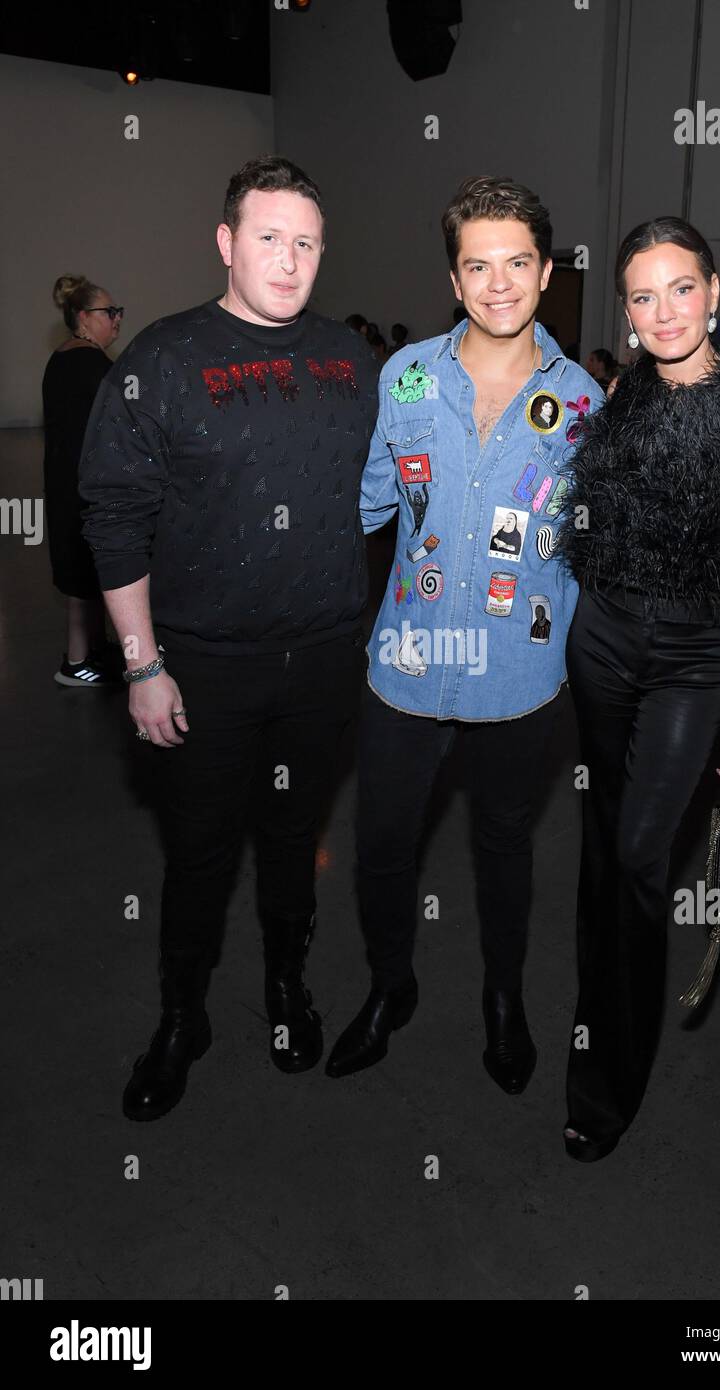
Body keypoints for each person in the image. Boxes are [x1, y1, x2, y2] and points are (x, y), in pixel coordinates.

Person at [79, 156, 379, 1121]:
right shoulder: (161, 363)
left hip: (325, 661)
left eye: (305, 243)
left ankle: (286, 987)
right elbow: (113, 518)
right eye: (267, 239)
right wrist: (143, 665)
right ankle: (182, 1015)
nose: (288, 261)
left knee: (295, 840)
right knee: (201, 852)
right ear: (226, 242)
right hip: (203, 665)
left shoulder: (350, 361)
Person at [325, 175, 604, 1092]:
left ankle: (503, 999)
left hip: (520, 675)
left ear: (546, 270)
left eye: (516, 263)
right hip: (406, 665)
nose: (497, 283)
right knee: (382, 848)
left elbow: (601, 540)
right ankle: (391, 986)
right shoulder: (404, 377)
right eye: (477, 265)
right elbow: (366, 505)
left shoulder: (586, 403)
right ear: (453, 276)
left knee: (505, 850)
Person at [557, 216, 720, 1162]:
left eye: (681, 289)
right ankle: (592, 1016)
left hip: (695, 662)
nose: (664, 311)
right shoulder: (622, 395)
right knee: (600, 849)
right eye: (642, 295)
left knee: (639, 859)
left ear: (711, 290)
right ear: (628, 307)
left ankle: (608, 1083)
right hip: (602, 641)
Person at [43, 276, 125, 687]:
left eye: (117, 312)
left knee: (86, 572)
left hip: (67, 483)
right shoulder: (90, 364)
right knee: (83, 573)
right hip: (82, 486)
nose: (116, 320)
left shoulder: (63, 357)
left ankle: (91, 650)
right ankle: (76, 664)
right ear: (83, 318)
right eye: (108, 313)